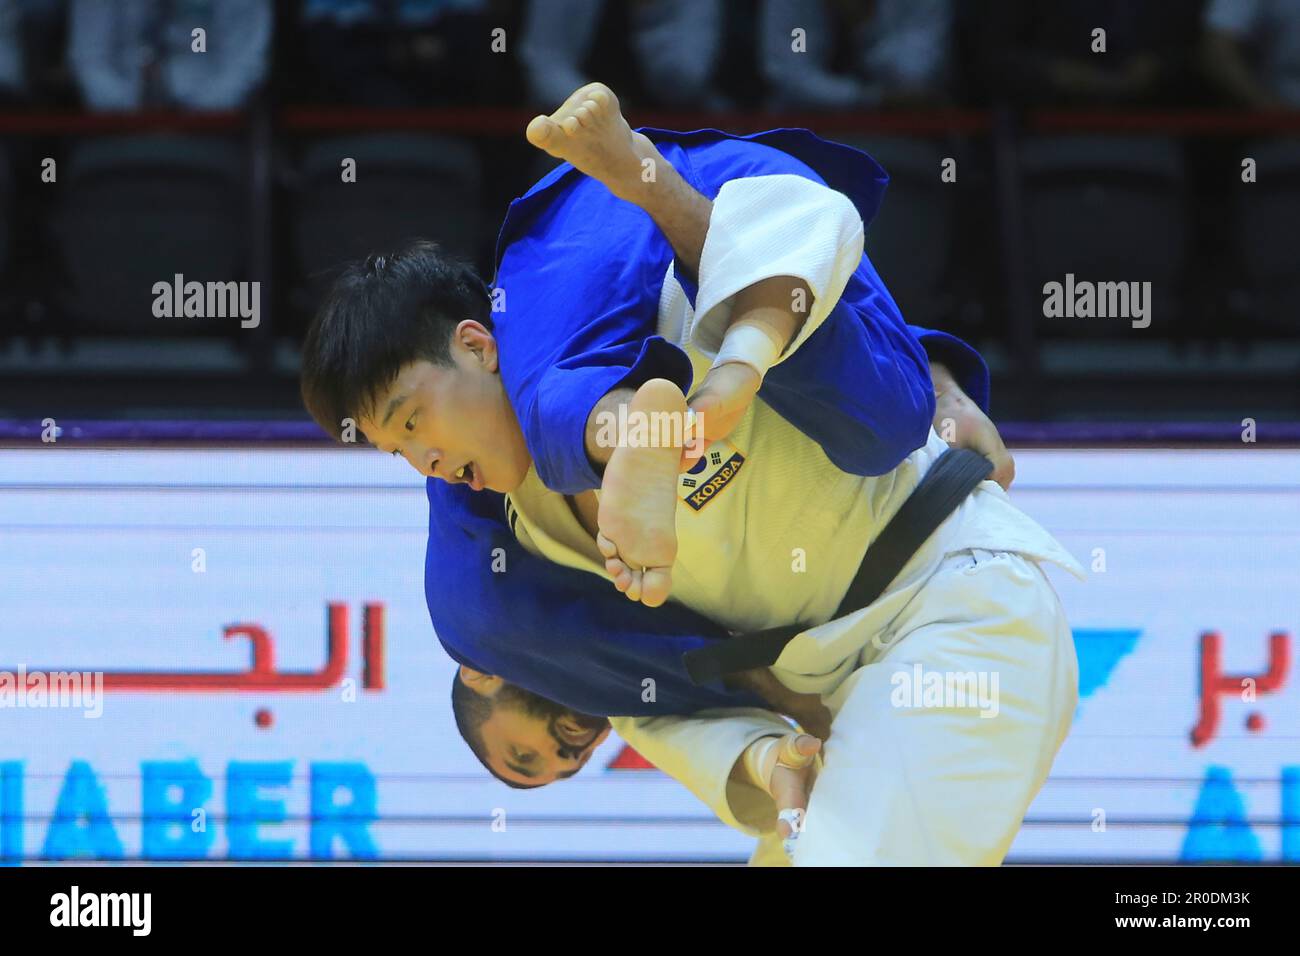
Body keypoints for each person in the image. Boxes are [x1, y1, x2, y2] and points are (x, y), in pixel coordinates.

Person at [301, 84, 1079, 864]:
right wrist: (761, 760)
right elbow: (636, 682)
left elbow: (815, 231)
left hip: (953, 604)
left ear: (477, 344)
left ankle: (690, 363)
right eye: (398, 453)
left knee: (755, 311)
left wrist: (678, 230)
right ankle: (646, 419)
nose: (424, 461)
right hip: (846, 701)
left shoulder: (648, 306)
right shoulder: (522, 541)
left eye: (412, 422)